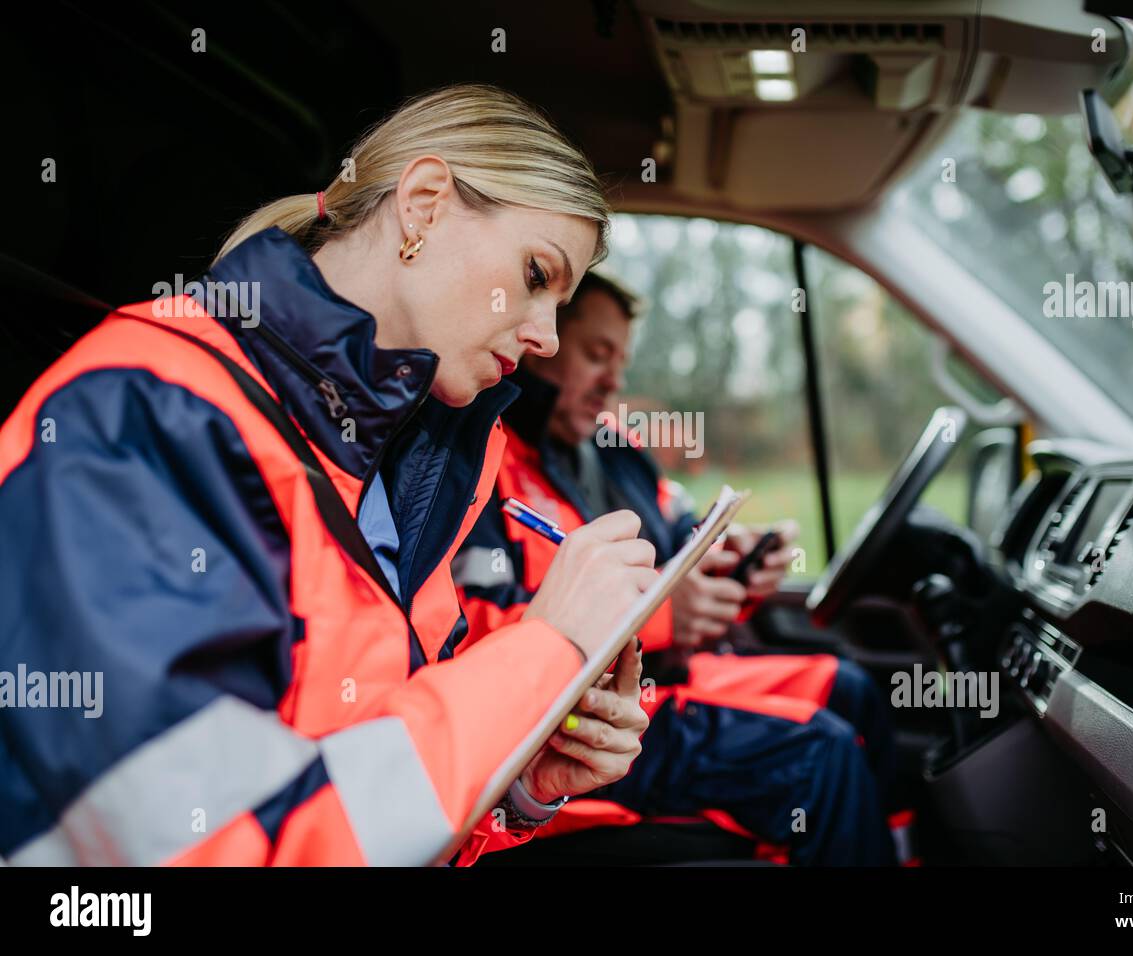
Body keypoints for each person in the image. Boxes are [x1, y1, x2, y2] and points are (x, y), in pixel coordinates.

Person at [0, 84, 655, 867]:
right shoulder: (141, 412)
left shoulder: (408, 458)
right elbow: (201, 844)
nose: (547, 336)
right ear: (423, 205)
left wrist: (522, 780)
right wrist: (542, 652)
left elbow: (368, 762)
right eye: (536, 275)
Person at [452, 271, 897, 865]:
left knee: (854, 688)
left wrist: (732, 569)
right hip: (577, 722)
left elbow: (681, 543)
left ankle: (900, 847)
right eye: (596, 354)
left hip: (668, 676)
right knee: (823, 753)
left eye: (622, 361)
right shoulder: (483, 459)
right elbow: (470, 636)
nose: (613, 381)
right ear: (543, 341)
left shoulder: (616, 449)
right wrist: (660, 616)